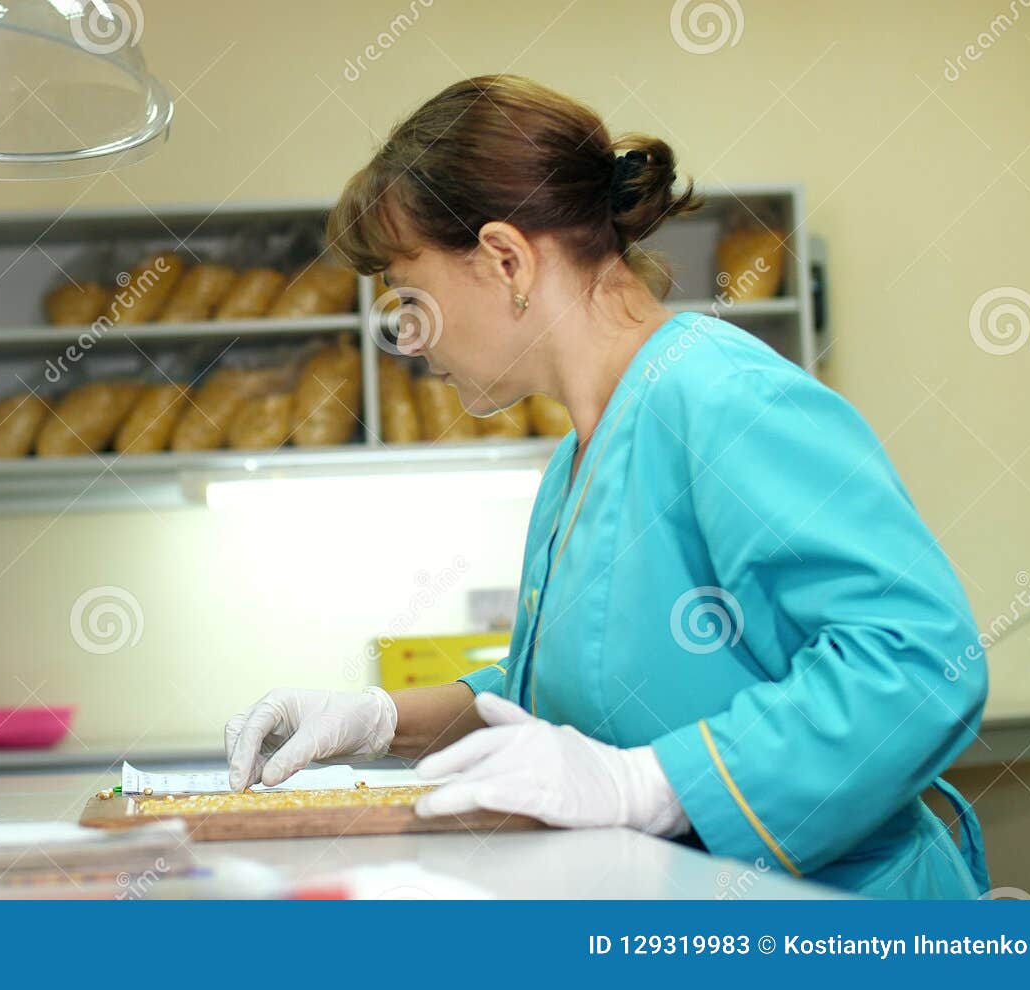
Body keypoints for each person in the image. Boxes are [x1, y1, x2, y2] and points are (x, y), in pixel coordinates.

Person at [223, 75, 987, 899]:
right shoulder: (576, 462)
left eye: (410, 294)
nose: (405, 337)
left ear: (506, 259)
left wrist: (650, 785)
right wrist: (376, 722)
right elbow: (549, 709)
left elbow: (919, 660)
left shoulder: (720, 396)